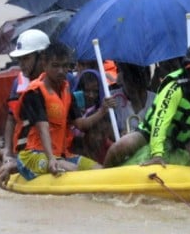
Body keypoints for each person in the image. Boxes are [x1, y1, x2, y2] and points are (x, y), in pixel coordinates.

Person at [15, 43, 115, 179]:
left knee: (99, 169)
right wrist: (51, 159)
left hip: (63, 155)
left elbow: (81, 124)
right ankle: (16, 166)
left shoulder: (67, 90)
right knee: (73, 170)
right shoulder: (35, 92)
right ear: (45, 64)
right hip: (33, 154)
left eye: (64, 66)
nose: (61, 71)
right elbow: (42, 127)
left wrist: (103, 110)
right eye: (55, 66)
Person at [0, 29, 51, 185]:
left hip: (49, 150)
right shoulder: (19, 84)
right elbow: (11, 119)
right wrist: (7, 150)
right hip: (26, 153)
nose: (22, 65)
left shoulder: (58, 80)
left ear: (42, 58)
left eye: (26, 59)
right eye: (19, 60)